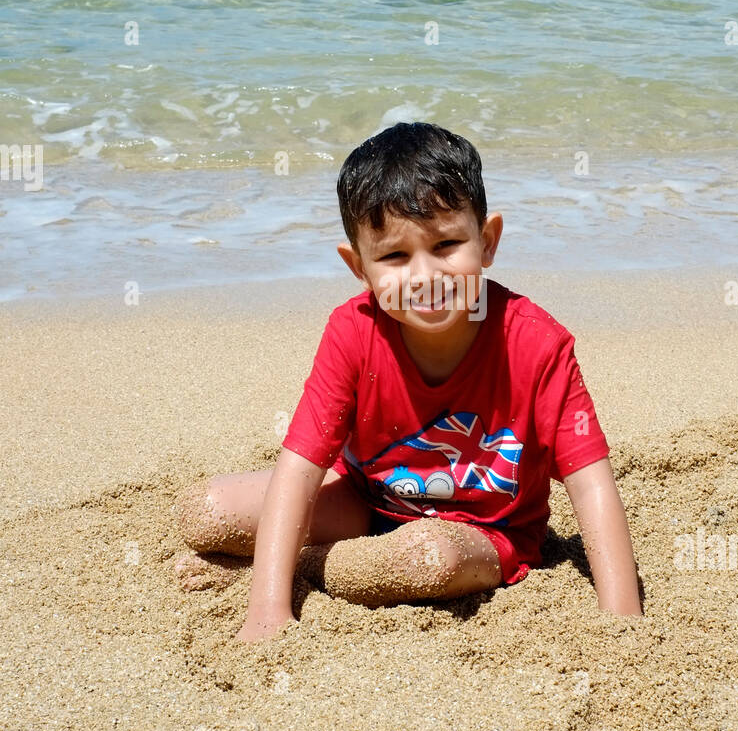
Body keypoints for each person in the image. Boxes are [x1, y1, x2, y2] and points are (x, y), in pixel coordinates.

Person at [172, 121, 642, 641]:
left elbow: (591, 482)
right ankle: (285, 569)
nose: (423, 275)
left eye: (446, 245)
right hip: (364, 503)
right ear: (359, 267)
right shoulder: (354, 332)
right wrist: (266, 609)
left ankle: (307, 568)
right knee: (206, 513)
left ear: (487, 241)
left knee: (427, 559)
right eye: (394, 256)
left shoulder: (536, 344)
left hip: (484, 535)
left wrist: (623, 620)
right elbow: (300, 468)